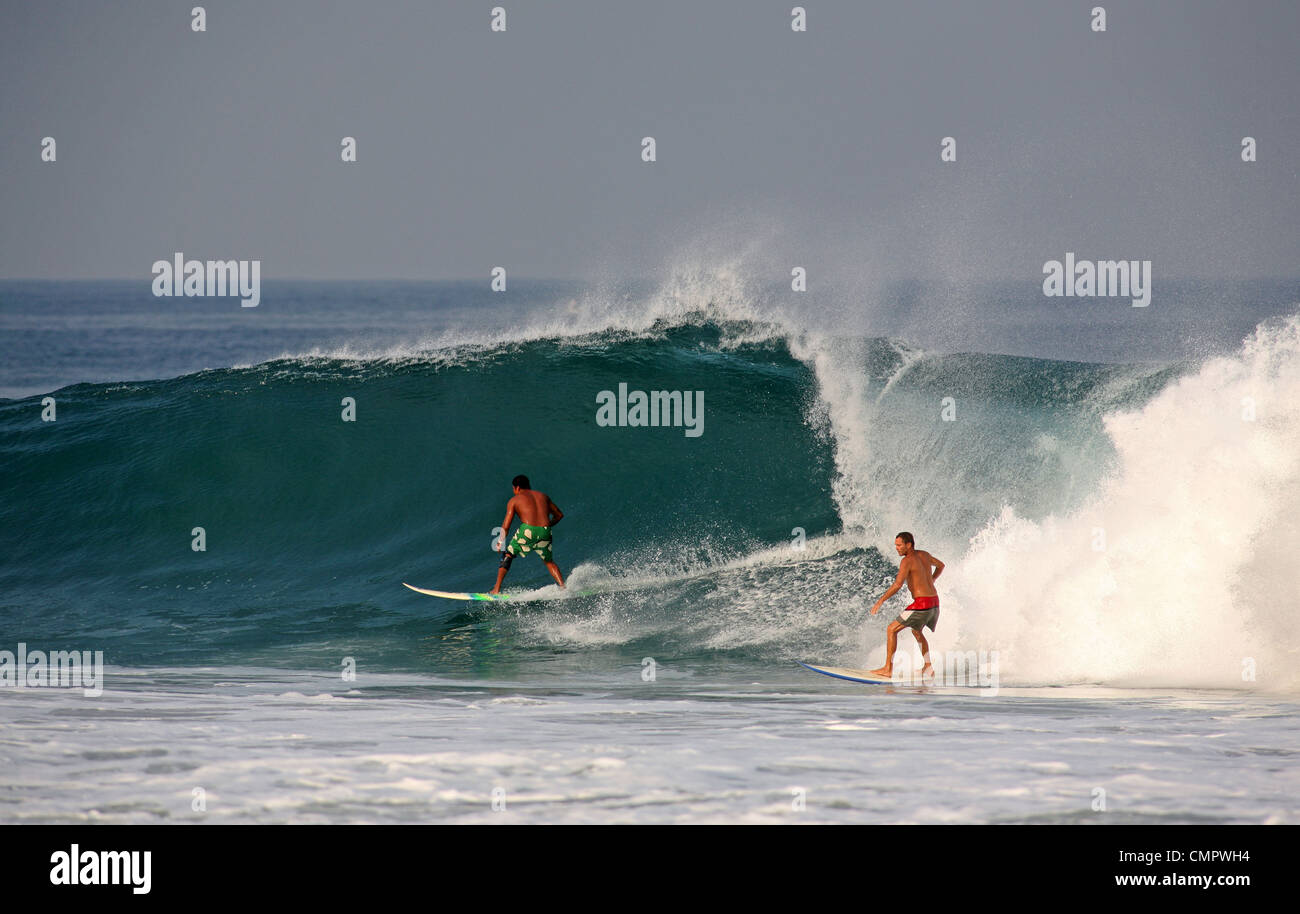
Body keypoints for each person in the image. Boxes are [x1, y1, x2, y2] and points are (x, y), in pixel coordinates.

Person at [867, 532, 943, 679]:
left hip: (922, 604)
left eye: (899, 545)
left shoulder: (907, 561)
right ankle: (928, 667)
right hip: (934, 602)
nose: (897, 548)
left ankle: (888, 668)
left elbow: (897, 584)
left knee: (891, 629)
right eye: (896, 545)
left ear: (909, 545)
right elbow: (941, 566)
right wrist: (931, 580)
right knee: (917, 631)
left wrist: (880, 600)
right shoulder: (925, 555)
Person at [490, 475, 565, 594]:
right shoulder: (543, 496)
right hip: (545, 530)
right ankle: (563, 587)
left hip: (528, 531)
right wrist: (545, 527)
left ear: (517, 488)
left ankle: (496, 589)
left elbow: (506, 525)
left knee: (508, 555)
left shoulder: (514, 500)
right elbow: (559, 515)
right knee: (549, 561)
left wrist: (500, 542)